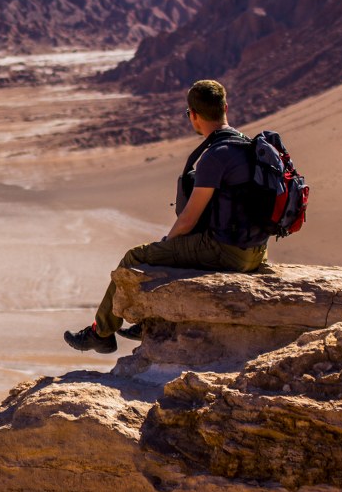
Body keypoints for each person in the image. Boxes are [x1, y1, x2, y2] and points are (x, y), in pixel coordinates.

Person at [64, 78, 268, 354]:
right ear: (225, 108)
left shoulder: (215, 156)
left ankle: (101, 332)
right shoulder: (247, 146)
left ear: (193, 115)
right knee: (175, 253)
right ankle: (149, 319)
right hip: (256, 251)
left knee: (137, 257)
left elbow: (187, 220)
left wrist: (165, 245)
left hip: (228, 252)